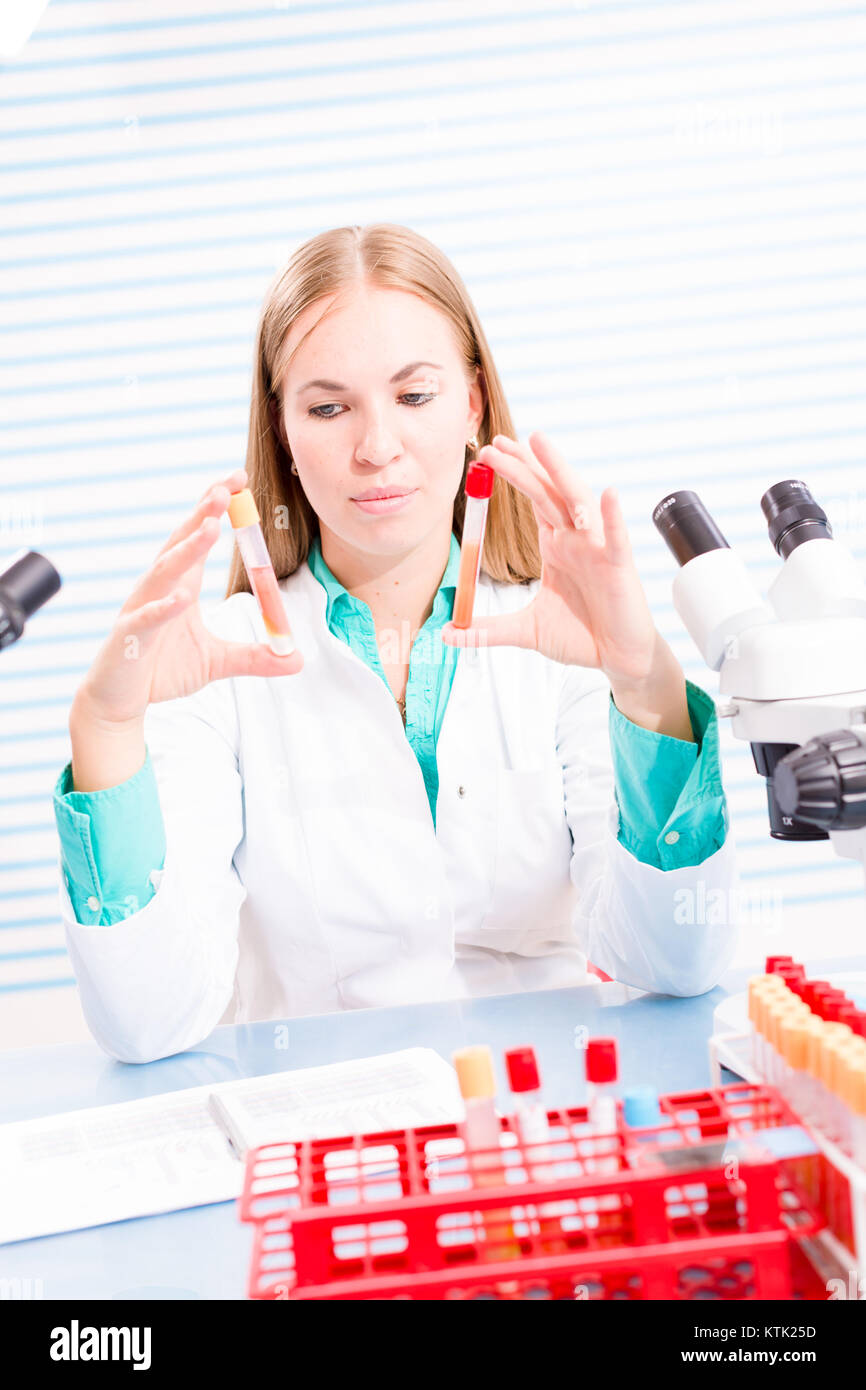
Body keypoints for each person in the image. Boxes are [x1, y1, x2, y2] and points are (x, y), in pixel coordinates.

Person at [52, 223, 737, 1064]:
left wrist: (645, 679)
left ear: (473, 405)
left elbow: (673, 964)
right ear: (283, 433)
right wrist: (108, 731)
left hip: (541, 1123)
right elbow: (148, 1024)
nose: (377, 448)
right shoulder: (214, 664)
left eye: (414, 397)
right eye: (329, 407)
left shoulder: (565, 638)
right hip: (326, 1150)